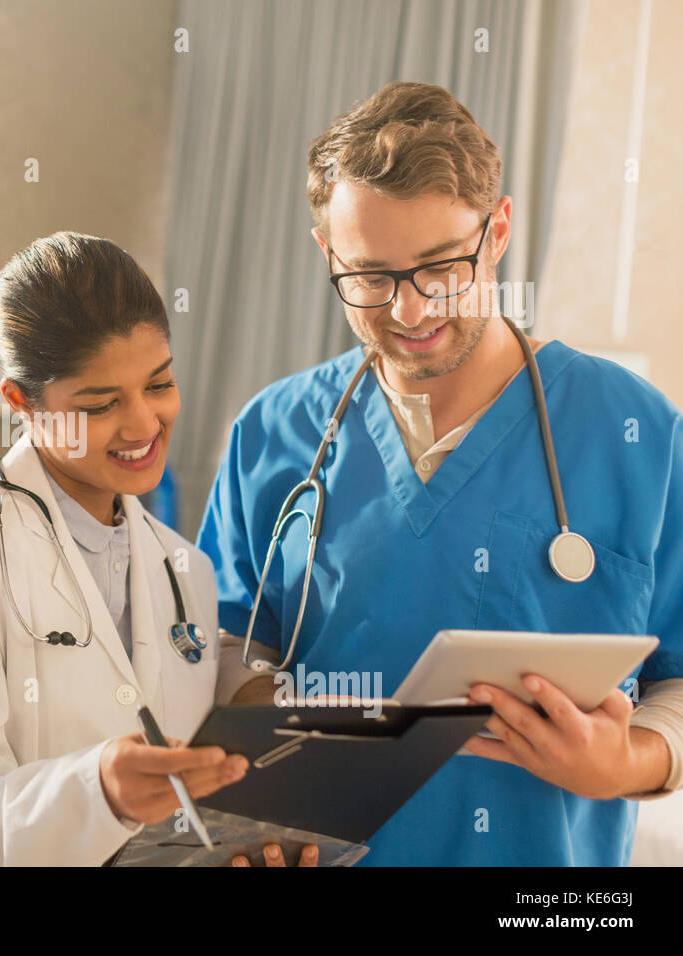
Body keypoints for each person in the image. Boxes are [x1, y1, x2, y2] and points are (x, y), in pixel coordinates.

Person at [198, 81, 683, 865]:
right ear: (327, 252)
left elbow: (678, 677)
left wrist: (629, 764)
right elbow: (220, 646)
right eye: (370, 276)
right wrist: (269, 768)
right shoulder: (275, 432)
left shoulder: (635, 433)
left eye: (440, 268)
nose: (411, 311)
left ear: (497, 232)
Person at [0, 232, 316, 866]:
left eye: (158, 385)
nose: (143, 426)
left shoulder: (184, 569)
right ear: (21, 402)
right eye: (101, 404)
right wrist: (98, 791)